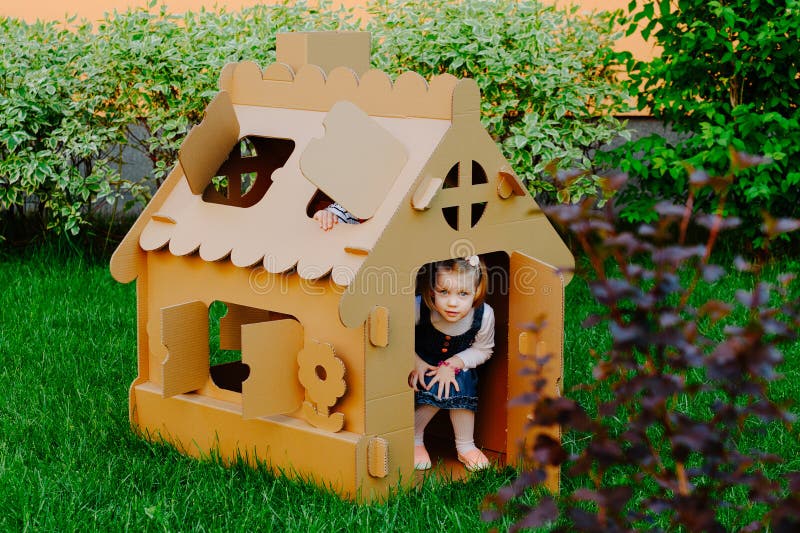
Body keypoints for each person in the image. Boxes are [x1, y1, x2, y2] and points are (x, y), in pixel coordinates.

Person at [410, 256, 495, 472]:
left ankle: (465, 445)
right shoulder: (419, 307)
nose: (453, 303)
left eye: (463, 293)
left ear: (476, 290)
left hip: (457, 370)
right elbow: (396, 334)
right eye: (444, 292)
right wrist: (414, 361)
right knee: (437, 381)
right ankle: (413, 437)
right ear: (432, 290)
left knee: (460, 380)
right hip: (421, 369)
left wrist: (454, 363)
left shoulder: (483, 315)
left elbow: (484, 349)